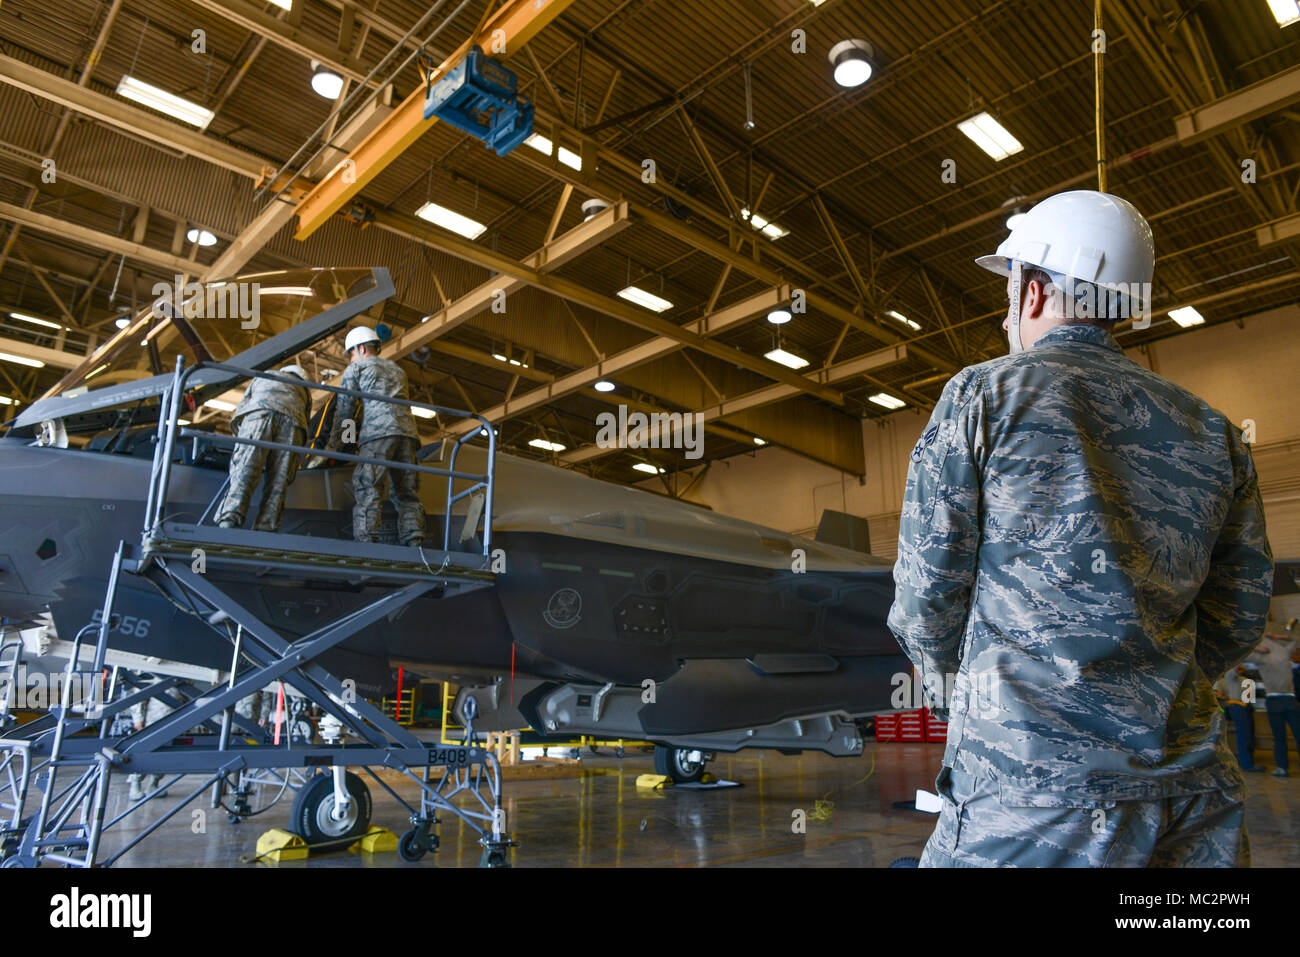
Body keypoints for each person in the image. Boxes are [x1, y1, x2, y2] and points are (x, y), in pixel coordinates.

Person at [888, 190, 1274, 868]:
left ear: (1032, 290)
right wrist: (1148, 689)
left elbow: (926, 600)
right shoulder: (1213, 430)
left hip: (1035, 793)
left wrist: (983, 708)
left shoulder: (983, 396)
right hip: (1192, 794)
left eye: (1008, 291)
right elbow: (1239, 615)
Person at [326, 326, 425, 546]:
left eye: (351, 353)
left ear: (360, 348)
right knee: (406, 490)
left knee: (367, 485)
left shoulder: (357, 369)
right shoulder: (398, 370)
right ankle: (413, 539)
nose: (351, 359)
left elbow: (346, 410)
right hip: (407, 434)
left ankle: (366, 541)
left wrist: (340, 444)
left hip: (378, 432)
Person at [215, 365, 313, 531]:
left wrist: (243, 441)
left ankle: (229, 519)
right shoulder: (305, 392)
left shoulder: (266, 375)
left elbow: (243, 407)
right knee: (279, 479)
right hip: (293, 424)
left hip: (259, 415)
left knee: (246, 468)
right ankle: (266, 527)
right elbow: (306, 424)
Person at [1247, 630, 1300, 777]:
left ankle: (1282, 768)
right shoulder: (1284, 652)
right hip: (1290, 699)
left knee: (1279, 737)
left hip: (1274, 700)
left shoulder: (1261, 657)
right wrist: (1278, 635)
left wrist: (1256, 648)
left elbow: (1241, 654)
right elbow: (1294, 641)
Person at [1216, 668, 1264, 773]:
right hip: (1234, 707)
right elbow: (1218, 695)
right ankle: (1246, 763)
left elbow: (1250, 698)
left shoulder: (1245, 680)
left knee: (1249, 734)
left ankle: (1246, 759)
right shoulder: (1225, 680)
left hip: (1243, 707)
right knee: (1244, 734)